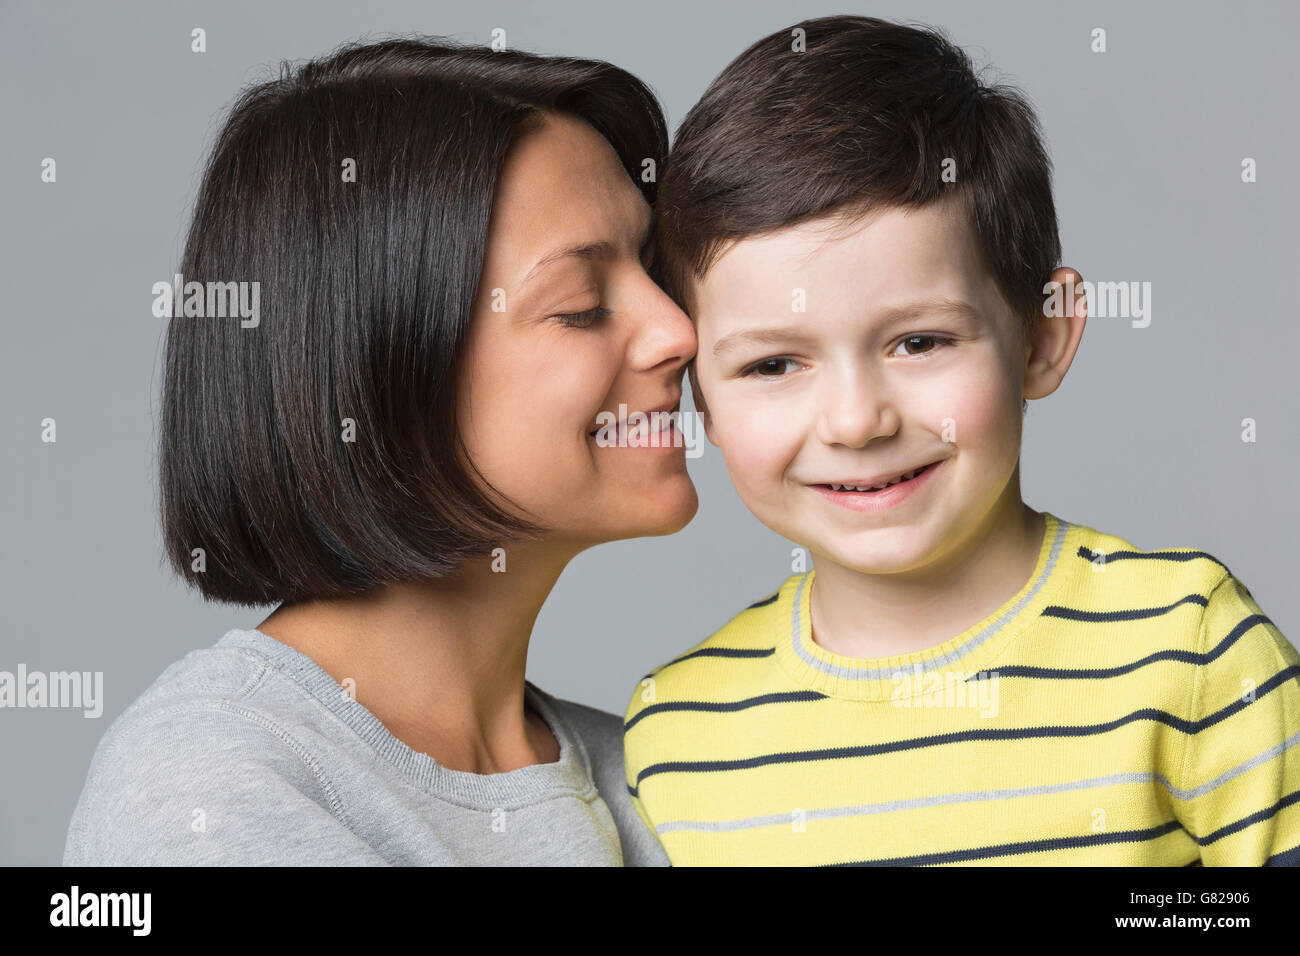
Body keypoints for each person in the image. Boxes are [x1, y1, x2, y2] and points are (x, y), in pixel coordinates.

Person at [623, 15, 1300, 866]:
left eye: (920, 342)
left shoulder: (1191, 646)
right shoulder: (674, 736)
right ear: (702, 402)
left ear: (1044, 336)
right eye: (772, 365)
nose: (855, 420)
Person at [64, 36, 697, 866]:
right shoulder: (214, 791)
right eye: (581, 305)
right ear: (376, 366)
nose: (679, 332)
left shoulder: (658, 773)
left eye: (655, 272)